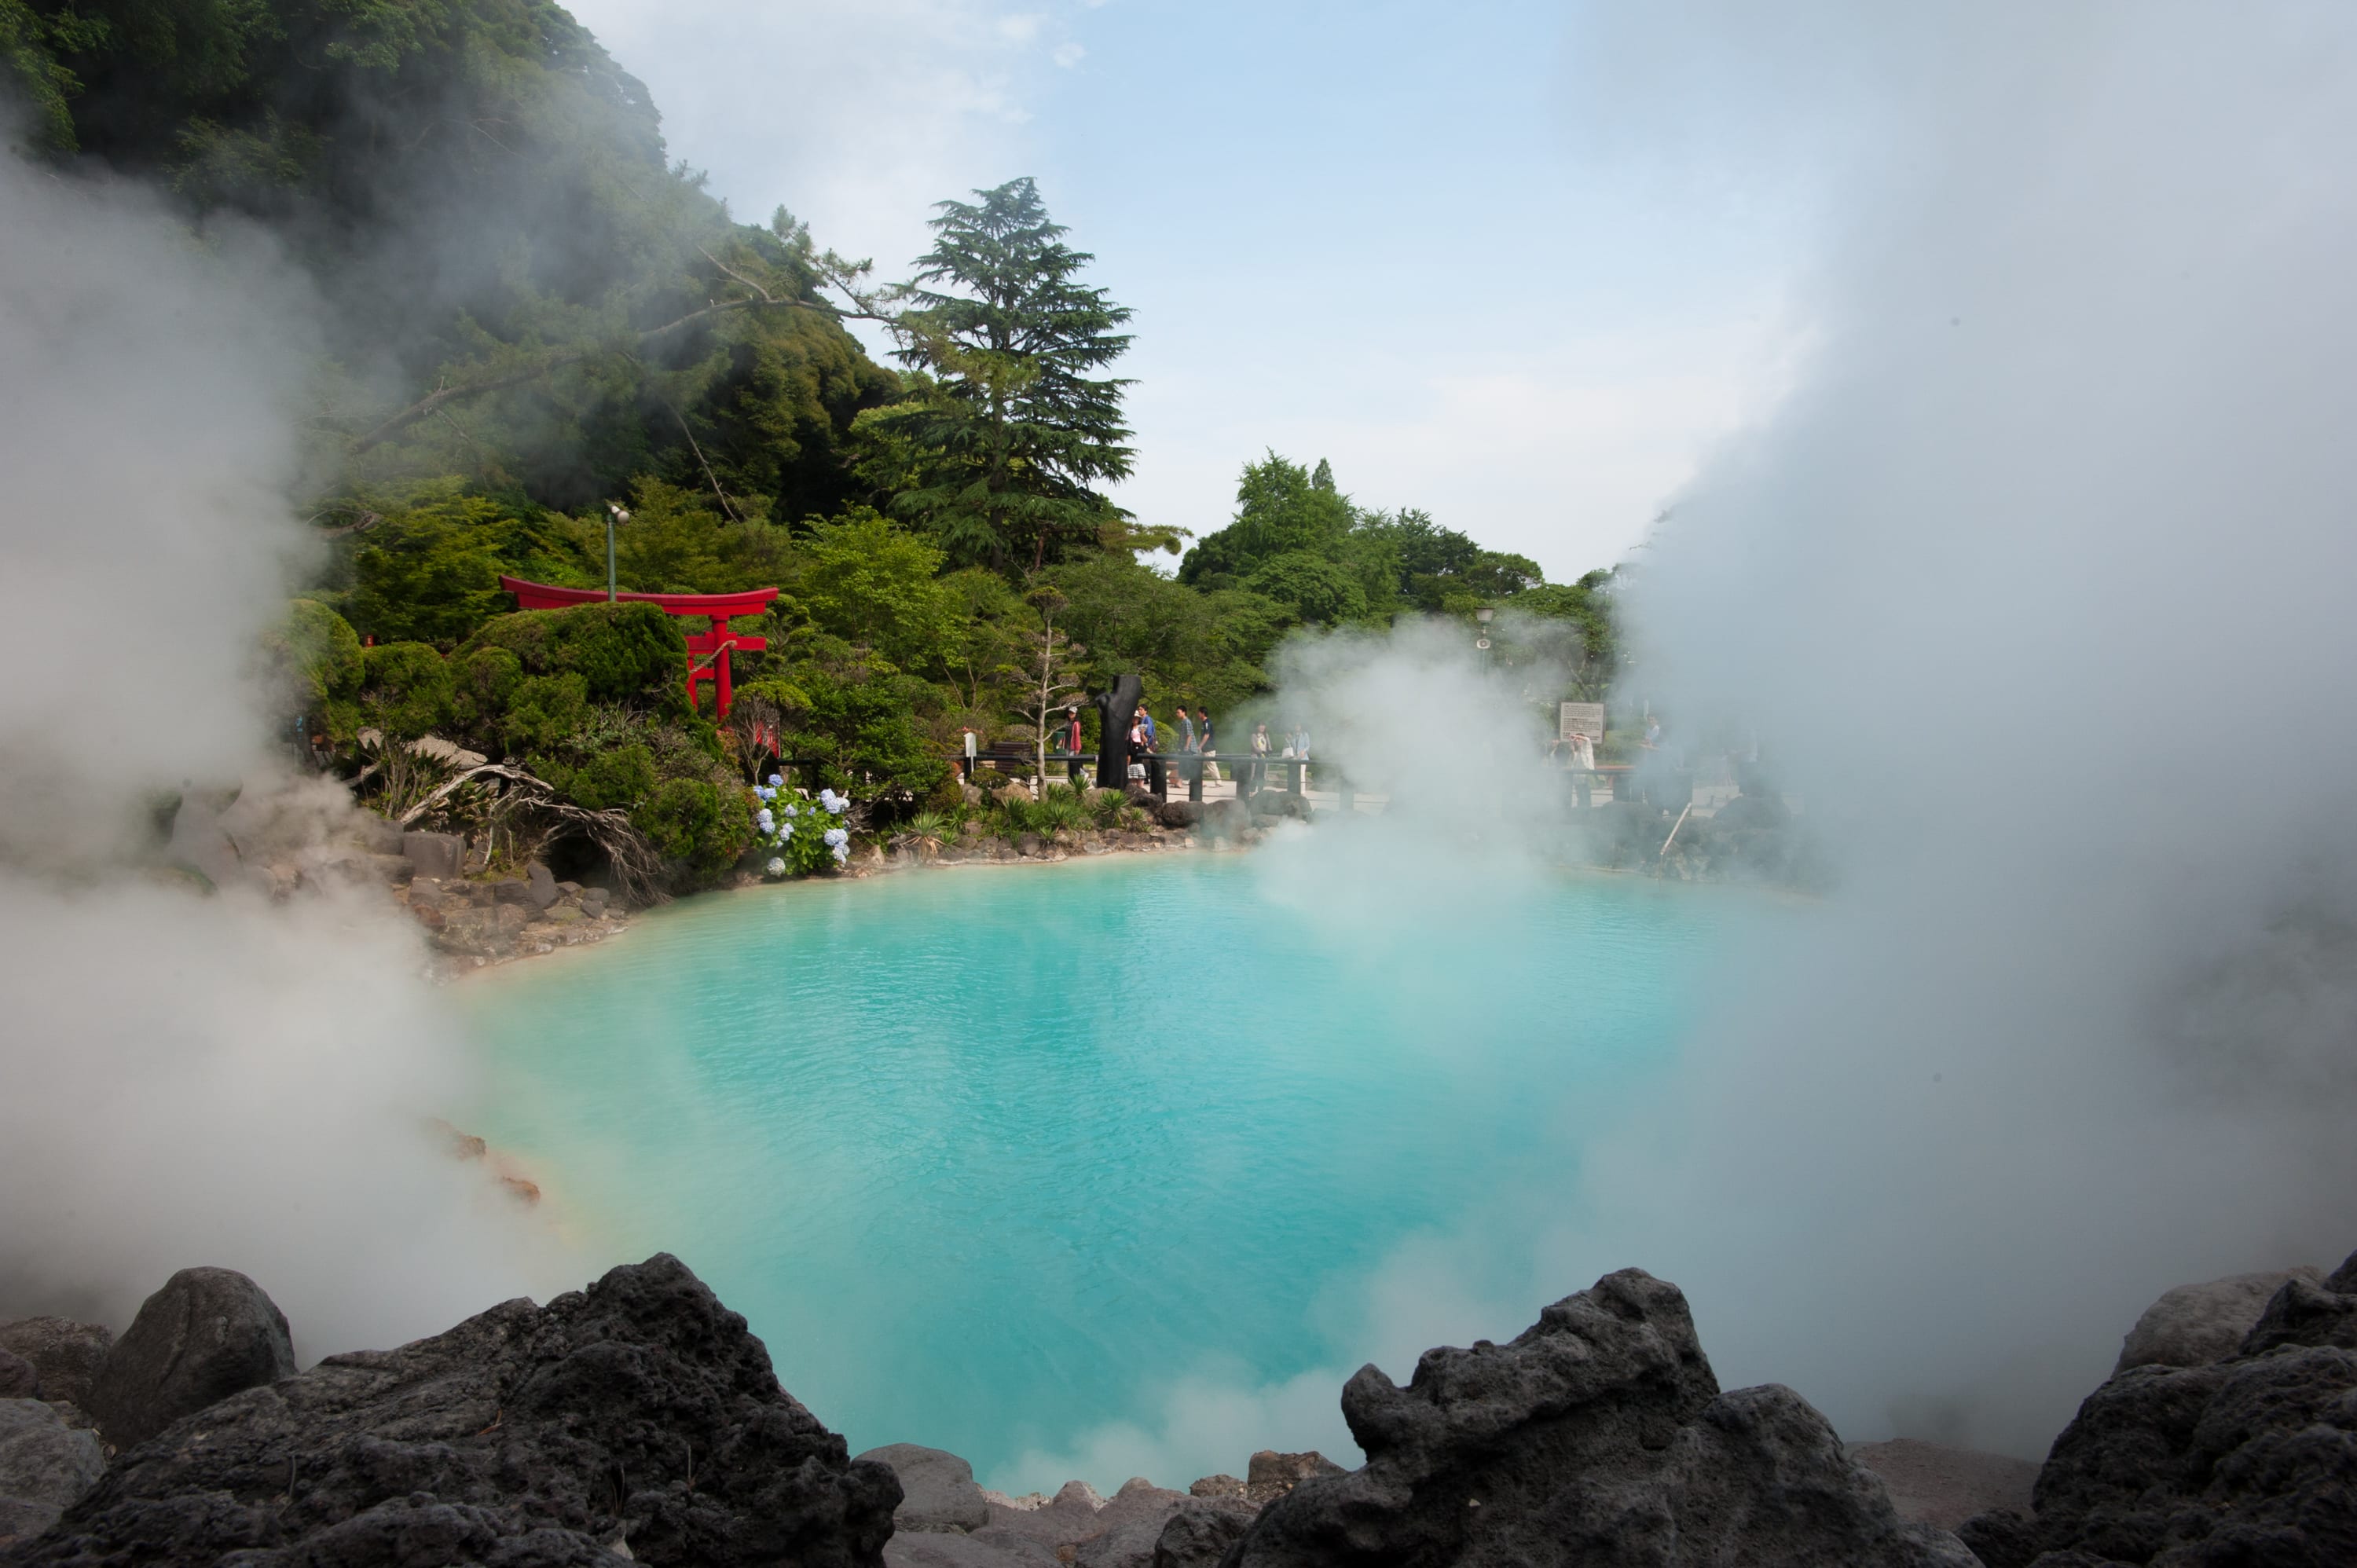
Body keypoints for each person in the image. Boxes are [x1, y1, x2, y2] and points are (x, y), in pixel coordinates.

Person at [1062, 705, 1086, 784]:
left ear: (1075, 714)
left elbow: (1077, 736)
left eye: (1072, 713)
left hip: (1073, 747)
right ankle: (1070, 780)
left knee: (1074, 764)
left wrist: (1077, 748)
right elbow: (1066, 734)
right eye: (1070, 712)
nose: (1071, 714)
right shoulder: (1068, 722)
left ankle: (1080, 776)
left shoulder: (1076, 723)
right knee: (1069, 763)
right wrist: (1062, 741)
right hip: (1067, 746)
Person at [1197, 707, 1219, 785]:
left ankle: (1218, 781)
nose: (1198, 714)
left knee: (1211, 764)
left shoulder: (1207, 723)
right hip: (1205, 748)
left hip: (1209, 748)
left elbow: (1206, 735)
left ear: (1203, 713)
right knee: (1198, 765)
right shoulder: (1204, 723)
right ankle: (1198, 781)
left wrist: (1200, 746)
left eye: (1199, 712)